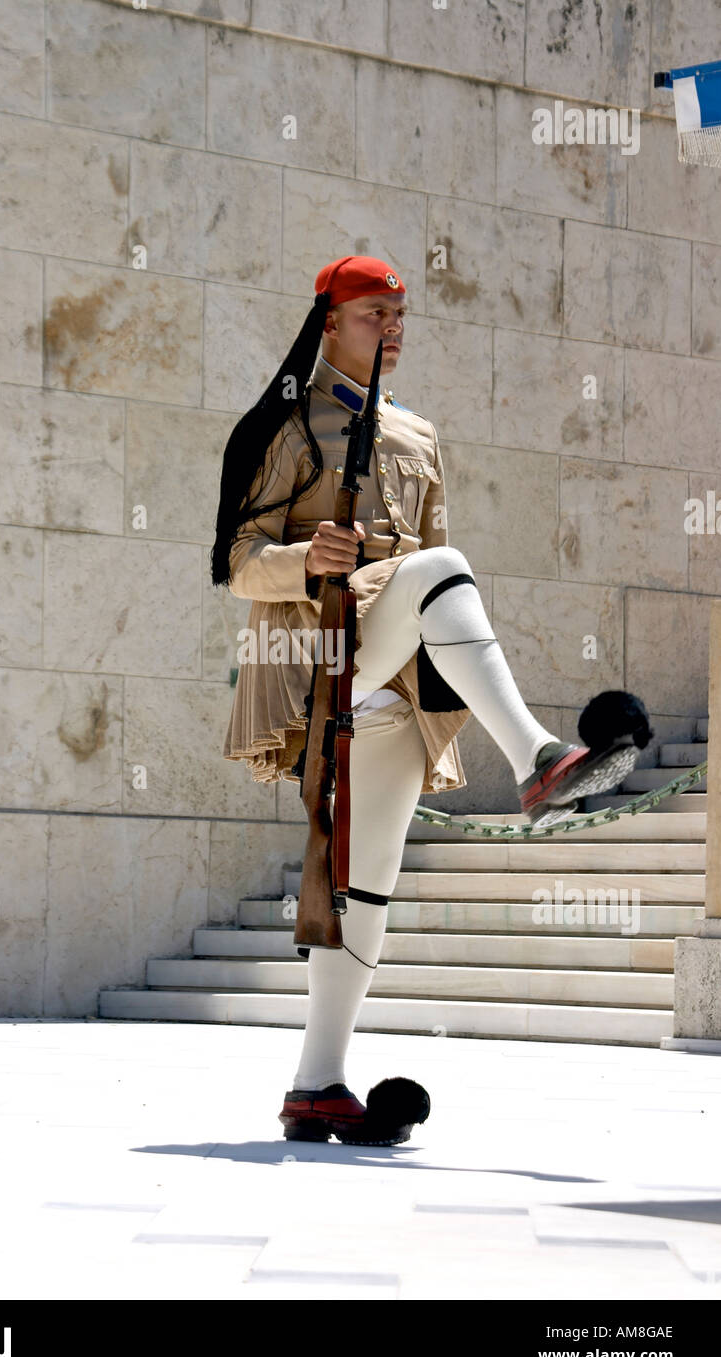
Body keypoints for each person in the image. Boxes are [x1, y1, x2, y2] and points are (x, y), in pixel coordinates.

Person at [210, 255, 638, 1144]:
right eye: (373, 314)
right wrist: (306, 560)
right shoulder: (287, 423)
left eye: (399, 315)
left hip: (393, 679)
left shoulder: (415, 434)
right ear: (327, 320)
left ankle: (316, 1083)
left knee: (365, 889)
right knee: (442, 568)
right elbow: (237, 563)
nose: (392, 328)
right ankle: (534, 759)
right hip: (318, 656)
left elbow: (440, 583)